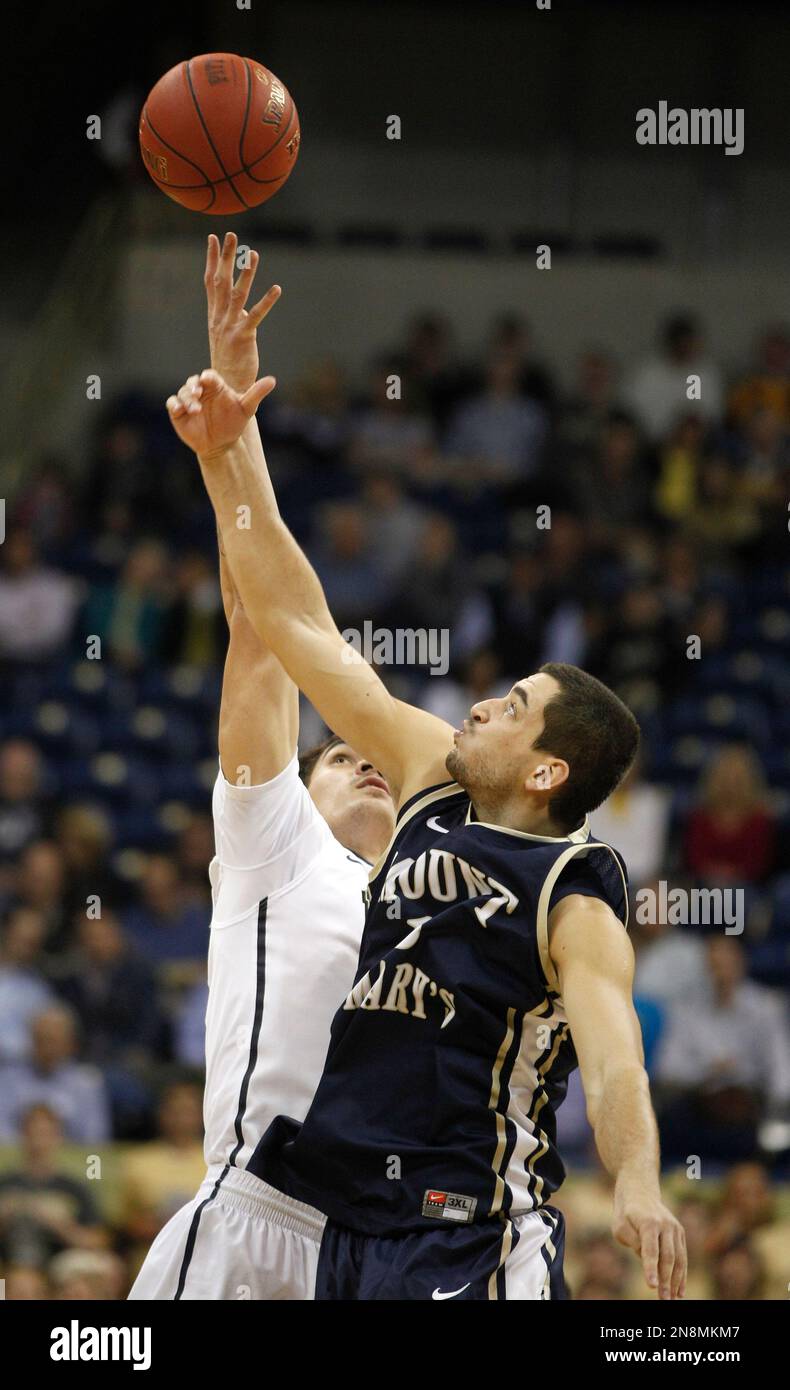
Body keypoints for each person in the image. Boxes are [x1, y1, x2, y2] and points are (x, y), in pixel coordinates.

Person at [162, 231, 686, 1301]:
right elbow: (292, 620)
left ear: (545, 773)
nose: (482, 702)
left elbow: (614, 1051)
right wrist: (233, 435)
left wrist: (635, 1178)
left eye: (514, 707)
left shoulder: (569, 892)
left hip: (473, 1226)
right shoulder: (428, 774)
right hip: (348, 1231)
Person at [128, 237, 396, 1302]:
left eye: (377, 757)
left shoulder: (431, 894)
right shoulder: (278, 844)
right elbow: (265, 619)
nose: (366, 764)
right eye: (337, 755)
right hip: (250, 1224)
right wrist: (232, 415)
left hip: (377, 1253)